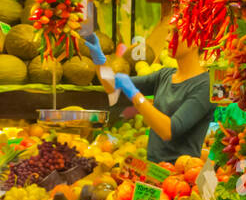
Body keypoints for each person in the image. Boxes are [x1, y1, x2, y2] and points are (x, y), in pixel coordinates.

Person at [87, 31, 215, 164]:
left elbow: (169, 130)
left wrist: (136, 96)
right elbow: (112, 86)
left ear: (196, 41)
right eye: (169, 32)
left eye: (176, 33)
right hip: (153, 170)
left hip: (180, 176)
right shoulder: (164, 75)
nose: (167, 37)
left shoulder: (207, 86)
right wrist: (98, 57)